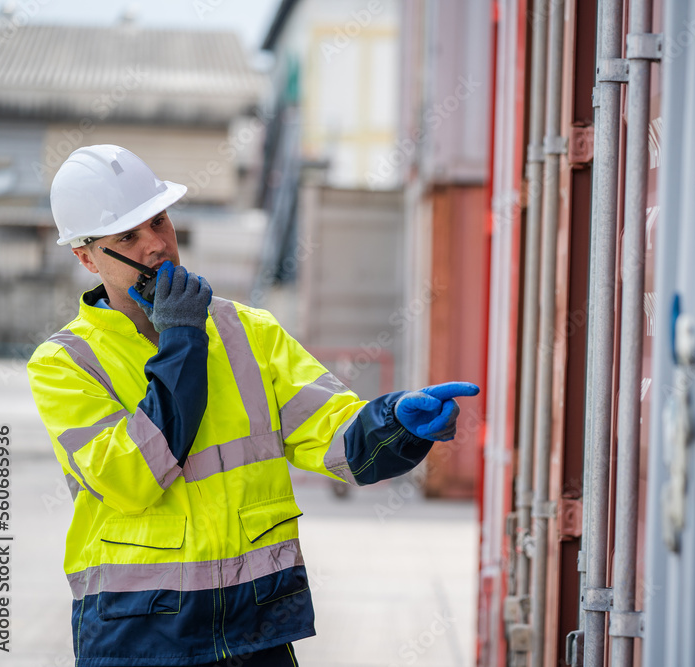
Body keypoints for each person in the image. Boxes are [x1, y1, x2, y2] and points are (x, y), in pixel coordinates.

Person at [26, 144, 479, 667]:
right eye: (127, 235)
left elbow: (332, 434)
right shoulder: (65, 363)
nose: (156, 245)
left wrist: (394, 422)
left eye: (159, 221)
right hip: (139, 636)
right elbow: (132, 477)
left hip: (253, 629)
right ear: (86, 257)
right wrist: (183, 340)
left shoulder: (247, 331)